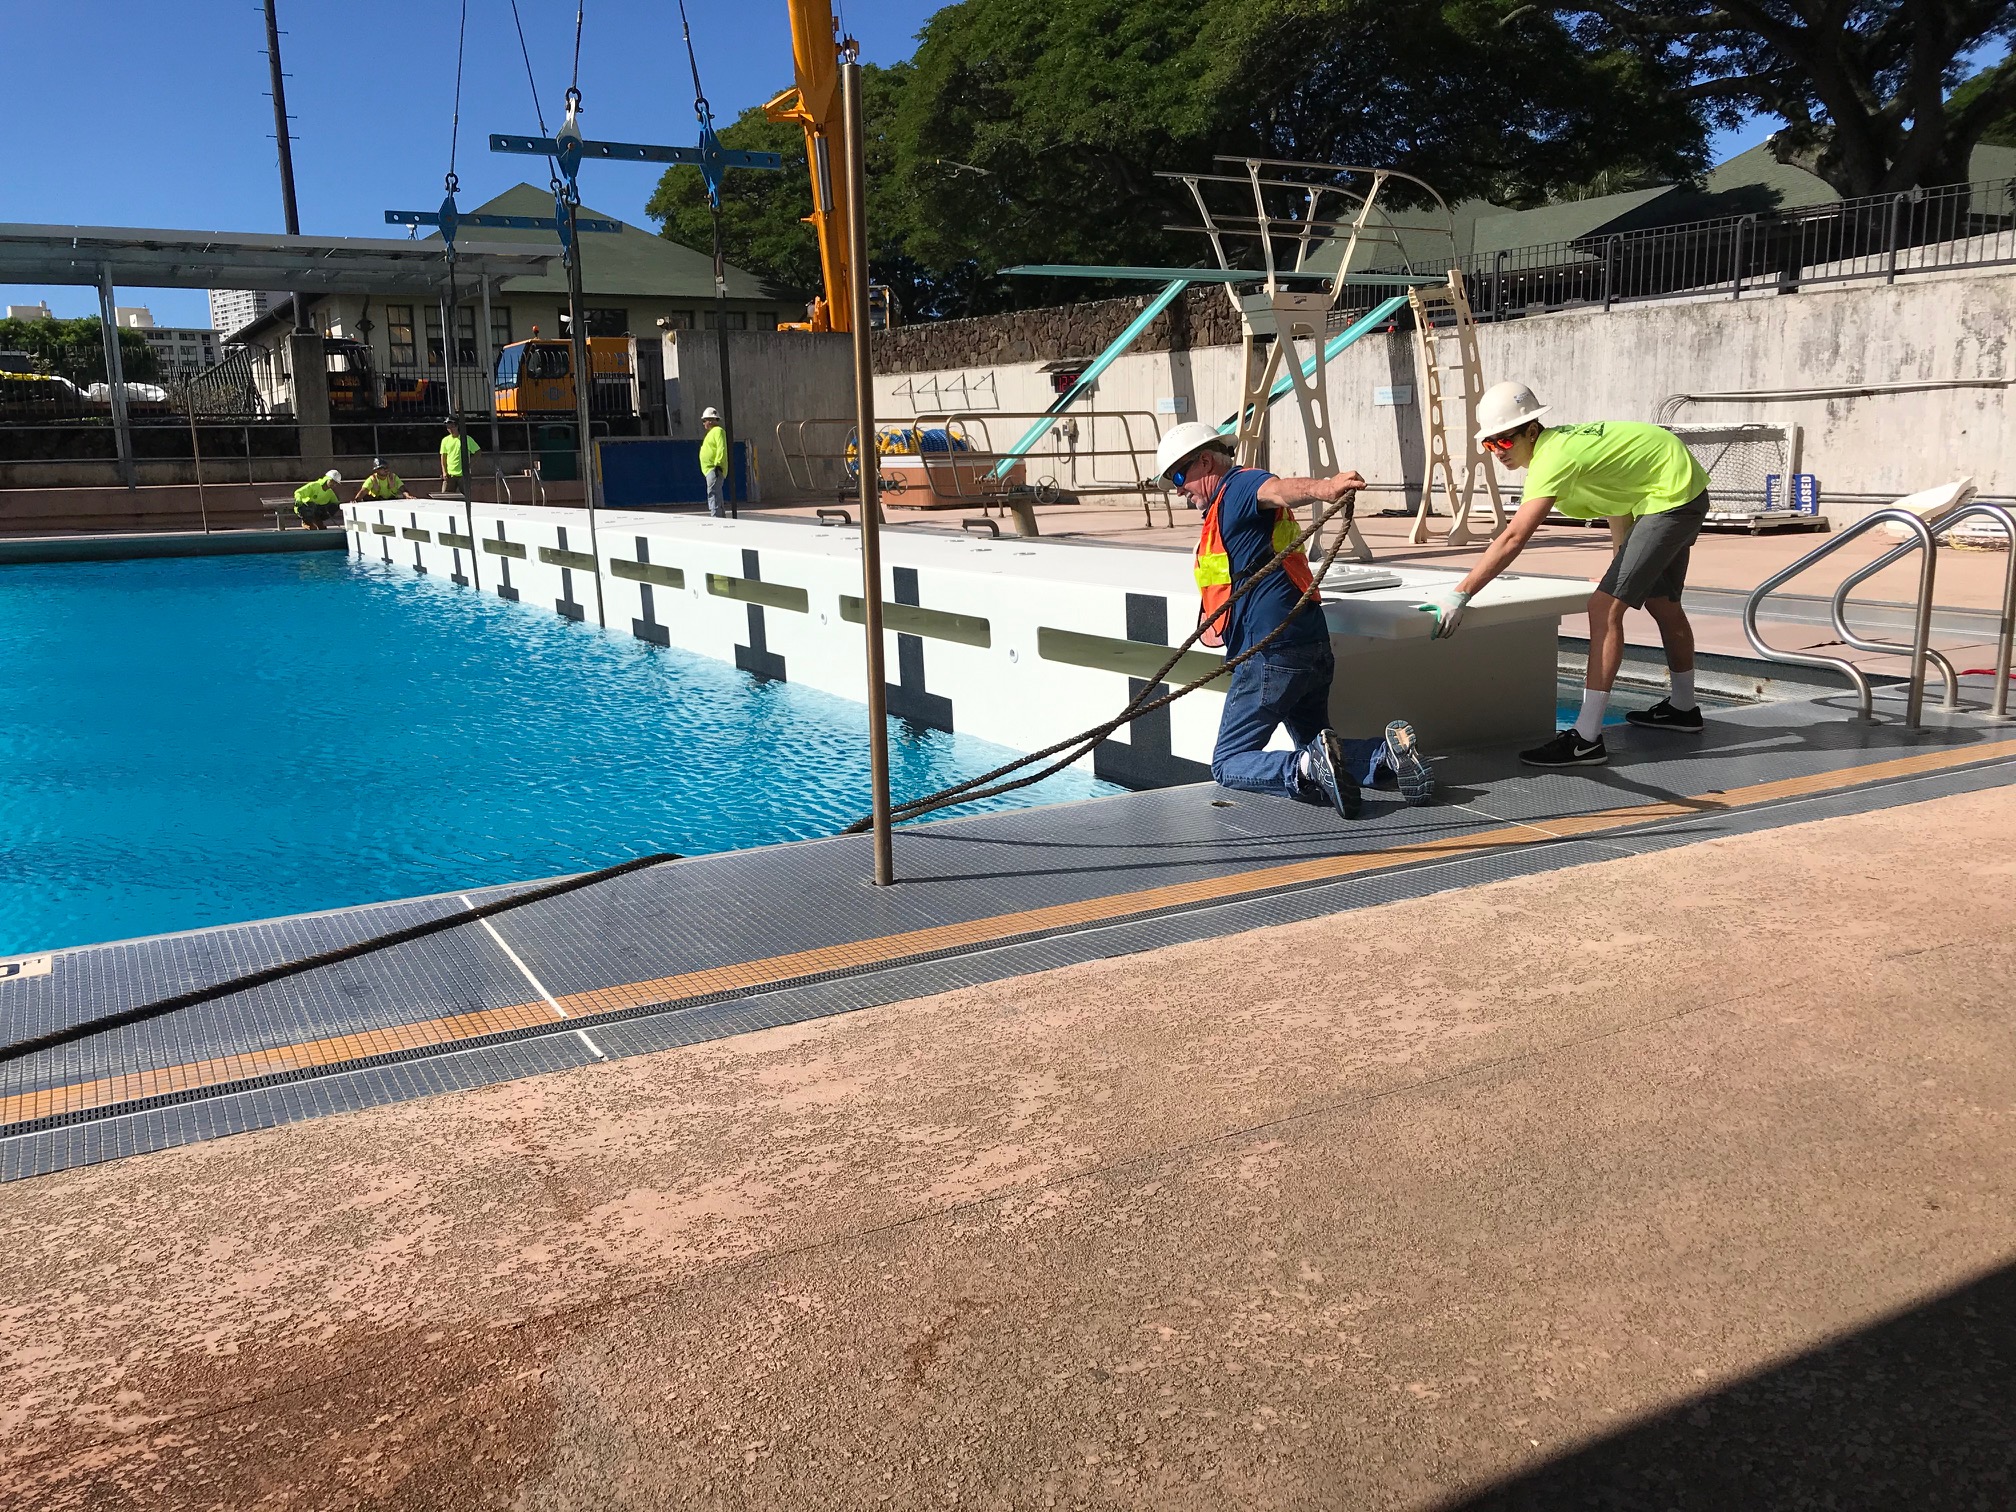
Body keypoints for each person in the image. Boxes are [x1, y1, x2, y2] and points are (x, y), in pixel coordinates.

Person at [1419, 382, 1711, 768]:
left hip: (1671, 496)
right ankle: (1683, 709)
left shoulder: (1553, 459)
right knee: (1663, 603)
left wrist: (1461, 594)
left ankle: (1586, 739)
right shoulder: (1560, 446)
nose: (1498, 452)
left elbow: (1513, 538)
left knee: (1603, 608)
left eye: (1504, 441)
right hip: (1672, 484)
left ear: (1531, 431)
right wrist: (1620, 565)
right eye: (1489, 444)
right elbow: (1617, 501)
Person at [1155, 421, 1437, 818]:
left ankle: (1303, 770)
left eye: (1179, 476)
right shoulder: (1225, 511)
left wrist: (1325, 488)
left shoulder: (1238, 487)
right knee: (1319, 746)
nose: (1179, 489)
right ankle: (1386, 756)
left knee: (1229, 762)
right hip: (1310, 645)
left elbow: (1276, 489)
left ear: (1205, 461)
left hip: (1270, 653)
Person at [699, 405, 730, 518]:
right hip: (710, 469)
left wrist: (718, 464)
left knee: (713, 493)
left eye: (704, 420)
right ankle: (720, 517)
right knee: (716, 494)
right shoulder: (712, 433)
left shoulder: (718, 431)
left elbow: (721, 447)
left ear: (710, 421)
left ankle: (716, 517)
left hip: (714, 468)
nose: (703, 423)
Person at [440, 418, 481, 495]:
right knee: (445, 496)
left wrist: (469, 464)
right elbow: (443, 457)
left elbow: (478, 452)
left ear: (456, 426)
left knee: (466, 496)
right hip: (450, 474)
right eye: (448, 427)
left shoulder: (466, 439)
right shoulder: (445, 440)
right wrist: (444, 472)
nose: (450, 429)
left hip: (463, 475)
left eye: (452, 426)